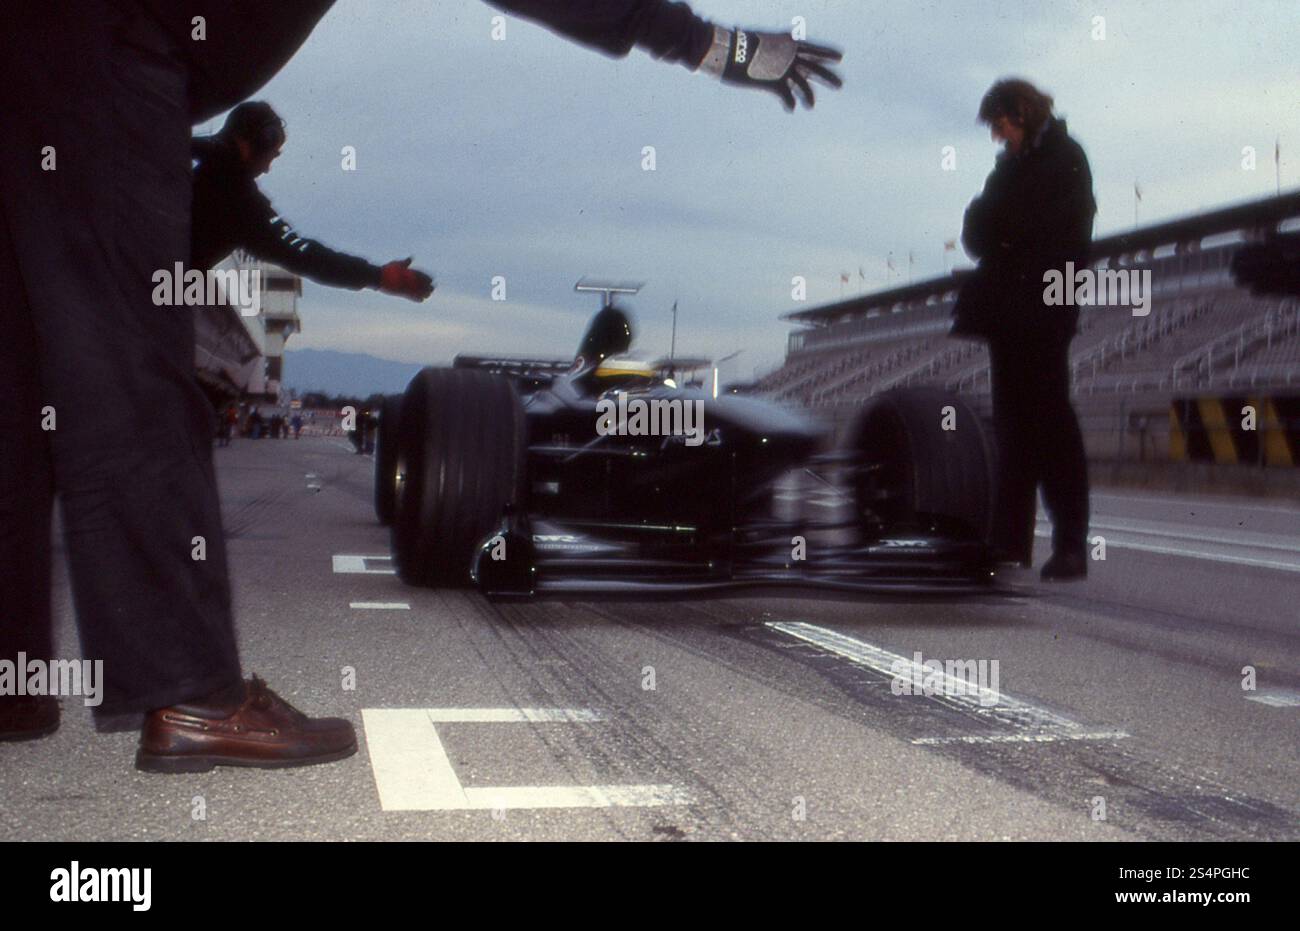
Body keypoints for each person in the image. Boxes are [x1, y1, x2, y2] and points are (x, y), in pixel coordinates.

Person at [0, 1, 843, 764]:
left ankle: (12, 676)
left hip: (43, 61)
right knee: (130, 378)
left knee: (16, 385)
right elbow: (298, 251)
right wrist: (703, 43)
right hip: (102, 52)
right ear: (254, 149)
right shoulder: (222, 180)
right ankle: (189, 691)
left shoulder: (205, 163)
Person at [952, 78, 1096, 581]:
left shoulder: (1066, 159)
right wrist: (1000, 224)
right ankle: (1010, 542)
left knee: (1051, 427)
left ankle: (1071, 545)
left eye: (1001, 125)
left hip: (1044, 314)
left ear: (1022, 112)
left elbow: (1059, 237)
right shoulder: (1009, 169)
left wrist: (1001, 225)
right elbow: (975, 233)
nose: (997, 136)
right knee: (1013, 429)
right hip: (1009, 315)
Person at [192, 101, 434, 301]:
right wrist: (378, 276)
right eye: (270, 155)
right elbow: (305, 256)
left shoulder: (183, 151)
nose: (266, 168)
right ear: (253, 143)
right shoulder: (241, 199)